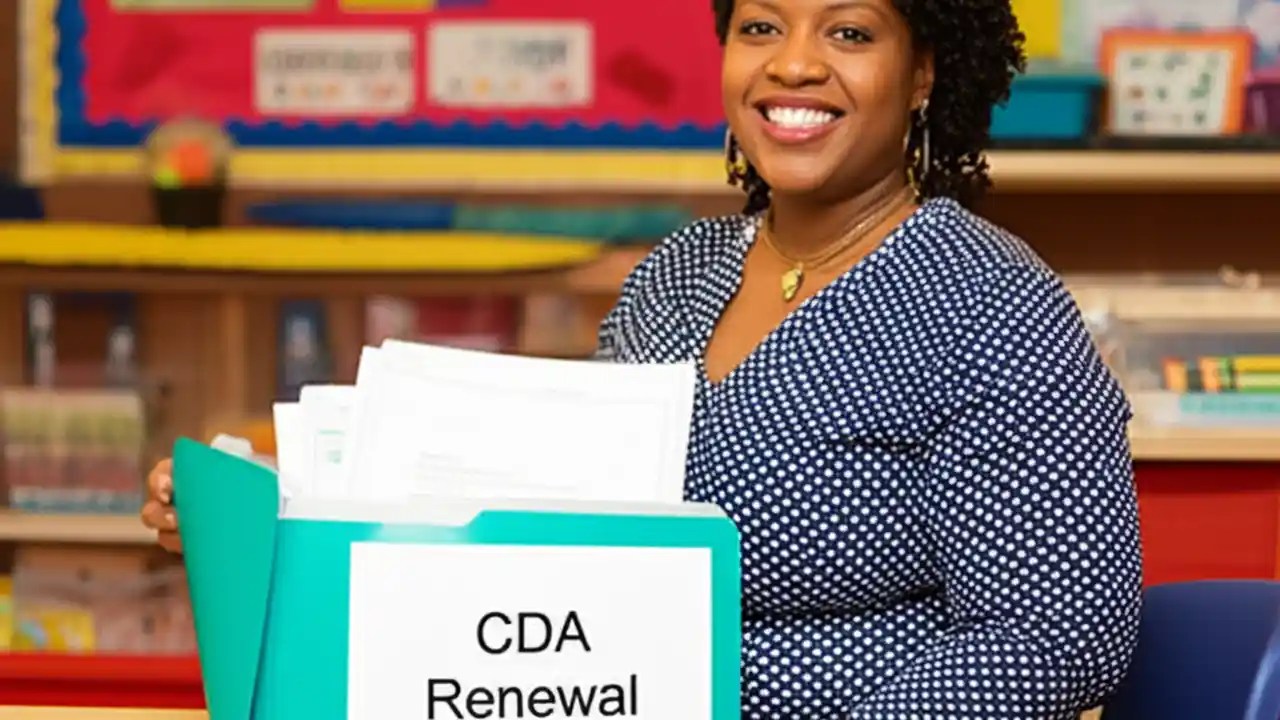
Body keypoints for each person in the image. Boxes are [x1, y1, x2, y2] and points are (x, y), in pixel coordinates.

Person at [143, 0, 1144, 716]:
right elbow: (536, 514)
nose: (793, 65)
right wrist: (277, 512)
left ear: (923, 70)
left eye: (848, 32)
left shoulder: (987, 301)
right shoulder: (675, 274)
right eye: (760, 28)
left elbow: (1058, 635)